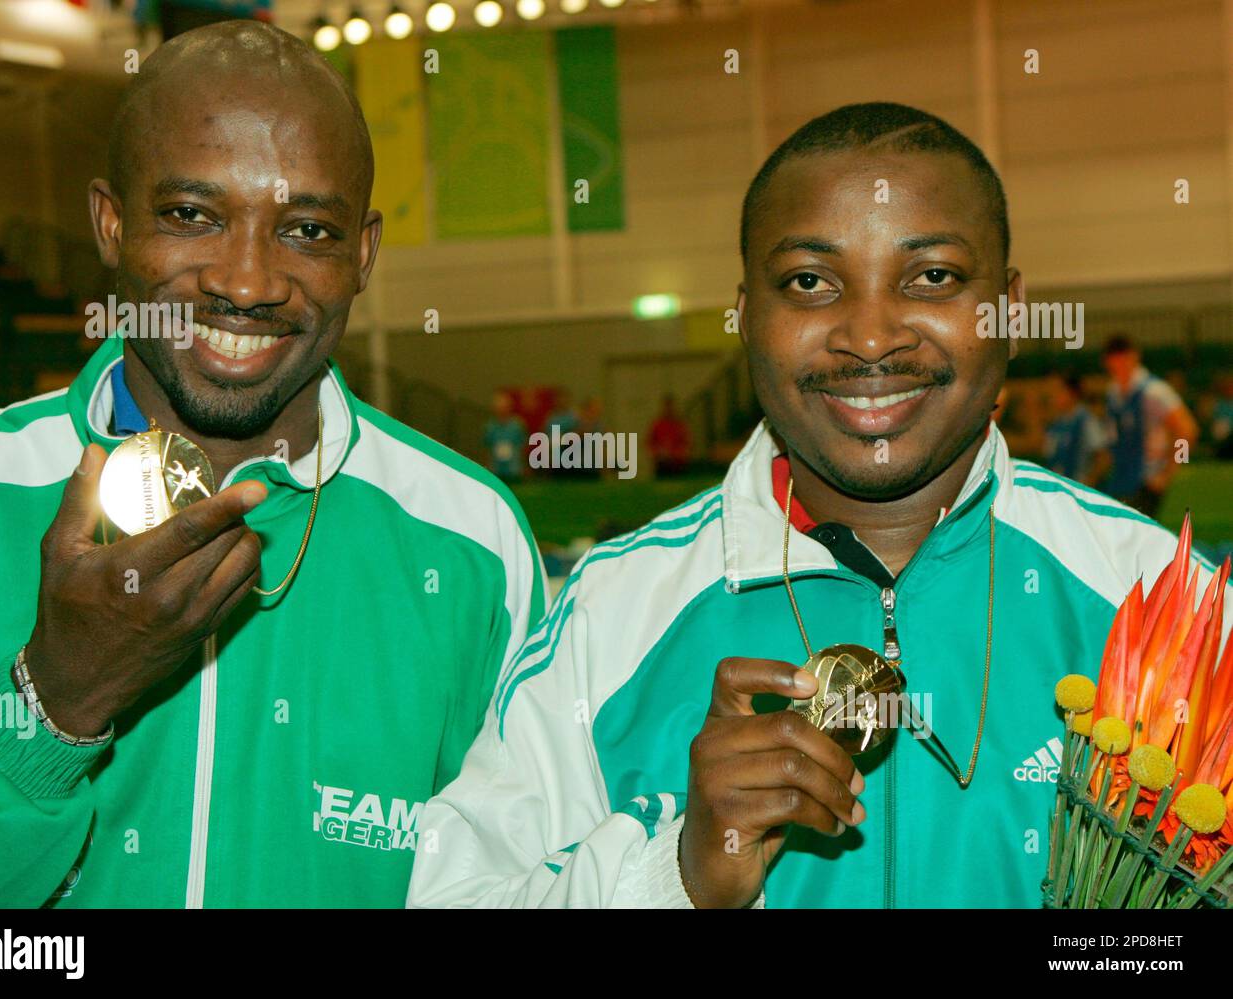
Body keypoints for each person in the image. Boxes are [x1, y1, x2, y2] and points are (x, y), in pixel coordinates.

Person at [407, 102, 1229, 909]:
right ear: (745, 315)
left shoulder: (1157, 599)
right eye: (810, 282)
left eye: (932, 276)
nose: (871, 337)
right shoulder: (616, 613)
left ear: (1009, 310)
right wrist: (673, 880)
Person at [0, 21, 545, 908]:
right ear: (110, 224)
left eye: (306, 230)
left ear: (363, 254)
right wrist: (54, 707)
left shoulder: (472, 543)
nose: (249, 281)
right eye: (192, 216)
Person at [1101, 334, 1198, 516]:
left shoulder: (1154, 392)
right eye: (1115, 361)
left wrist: (1170, 471)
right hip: (1121, 478)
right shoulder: (1112, 392)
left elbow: (1187, 430)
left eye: (1124, 360)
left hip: (1148, 480)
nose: (1120, 366)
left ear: (1134, 357)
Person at [1042, 371, 1109, 485]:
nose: (1052, 396)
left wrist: (1087, 485)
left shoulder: (1086, 421)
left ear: (1072, 392)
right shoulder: (1056, 425)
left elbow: (1103, 458)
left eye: (1058, 390)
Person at [483, 390, 528, 482]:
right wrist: (487, 466)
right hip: (496, 469)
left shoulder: (517, 425)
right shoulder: (490, 426)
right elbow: (486, 447)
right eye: (499, 408)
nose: (502, 410)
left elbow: (523, 446)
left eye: (504, 407)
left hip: (514, 469)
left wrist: (525, 466)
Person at [647, 393, 691, 476]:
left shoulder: (680, 425)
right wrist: (658, 452)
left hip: (677, 462)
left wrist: (677, 453)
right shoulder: (658, 425)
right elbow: (650, 442)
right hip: (662, 462)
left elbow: (686, 443)